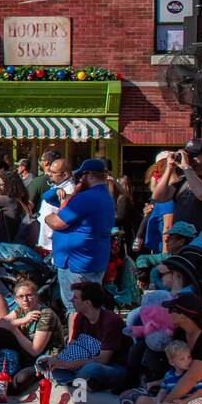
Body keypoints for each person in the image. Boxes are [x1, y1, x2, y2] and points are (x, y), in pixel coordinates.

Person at [0, 277, 64, 396]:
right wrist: (23, 320)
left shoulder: (46, 315)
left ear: (37, 296)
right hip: (25, 353)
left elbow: (35, 351)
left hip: (44, 359)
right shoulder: (20, 310)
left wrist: (13, 328)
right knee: (0, 333)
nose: (25, 300)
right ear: (15, 300)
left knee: (19, 382)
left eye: (29, 295)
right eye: (21, 297)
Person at [45, 157, 115, 315]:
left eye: (80, 177)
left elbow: (57, 222)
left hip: (77, 263)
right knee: (91, 307)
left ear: (89, 175)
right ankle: (88, 338)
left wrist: (47, 217)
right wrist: (66, 191)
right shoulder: (104, 196)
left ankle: (77, 339)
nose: (78, 180)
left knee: (76, 309)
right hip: (92, 260)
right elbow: (48, 196)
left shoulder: (86, 198)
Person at [37, 281, 126, 390]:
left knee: (90, 369)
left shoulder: (111, 321)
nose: (71, 300)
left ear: (87, 302)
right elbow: (72, 346)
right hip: (82, 362)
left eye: (75, 298)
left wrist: (66, 364)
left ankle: (78, 381)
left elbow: (104, 360)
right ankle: (83, 382)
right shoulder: (80, 316)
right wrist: (56, 360)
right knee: (44, 361)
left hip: (112, 365)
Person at [111, 339, 202, 404]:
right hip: (166, 402)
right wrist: (158, 402)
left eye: (189, 357)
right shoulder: (169, 375)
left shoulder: (195, 373)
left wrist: (183, 402)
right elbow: (163, 390)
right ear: (172, 362)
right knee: (142, 400)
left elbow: (201, 392)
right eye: (182, 359)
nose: (188, 361)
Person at [153, 139, 202, 233]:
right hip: (180, 241)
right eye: (187, 156)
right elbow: (158, 197)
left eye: (193, 156)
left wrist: (186, 167)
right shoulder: (182, 181)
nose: (189, 159)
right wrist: (169, 168)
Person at [35, 158, 72, 257]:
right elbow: (46, 196)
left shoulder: (68, 190)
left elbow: (65, 219)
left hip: (51, 244)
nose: (49, 174)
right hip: (45, 242)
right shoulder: (58, 187)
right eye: (50, 171)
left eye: (53, 172)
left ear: (65, 175)